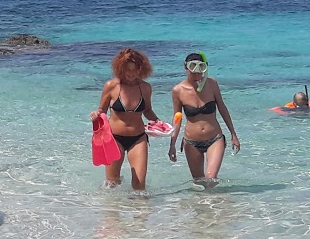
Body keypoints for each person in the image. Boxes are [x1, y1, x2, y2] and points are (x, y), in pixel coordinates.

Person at [90, 47, 162, 190]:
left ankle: (141, 211)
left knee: (140, 185)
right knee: (111, 184)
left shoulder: (145, 87)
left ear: (140, 70)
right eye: (127, 69)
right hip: (114, 138)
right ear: (120, 68)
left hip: (138, 138)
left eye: (134, 70)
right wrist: (96, 115)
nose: (131, 73)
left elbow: (147, 110)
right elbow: (102, 110)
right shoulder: (111, 86)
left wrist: (158, 122)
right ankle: (111, 211)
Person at [166, 51, 240, 186]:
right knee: (199, 182)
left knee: (210, 180)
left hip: (215, 138)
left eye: (199, 73)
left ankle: (215, 205)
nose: (196, 76)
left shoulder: (212, 84)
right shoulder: (178, 90)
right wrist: (172, 145)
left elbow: (222, 108)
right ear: (186, 69)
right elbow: (177, 118)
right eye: (192, 73)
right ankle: (203, 206)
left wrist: (233, 134)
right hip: (191, 142)